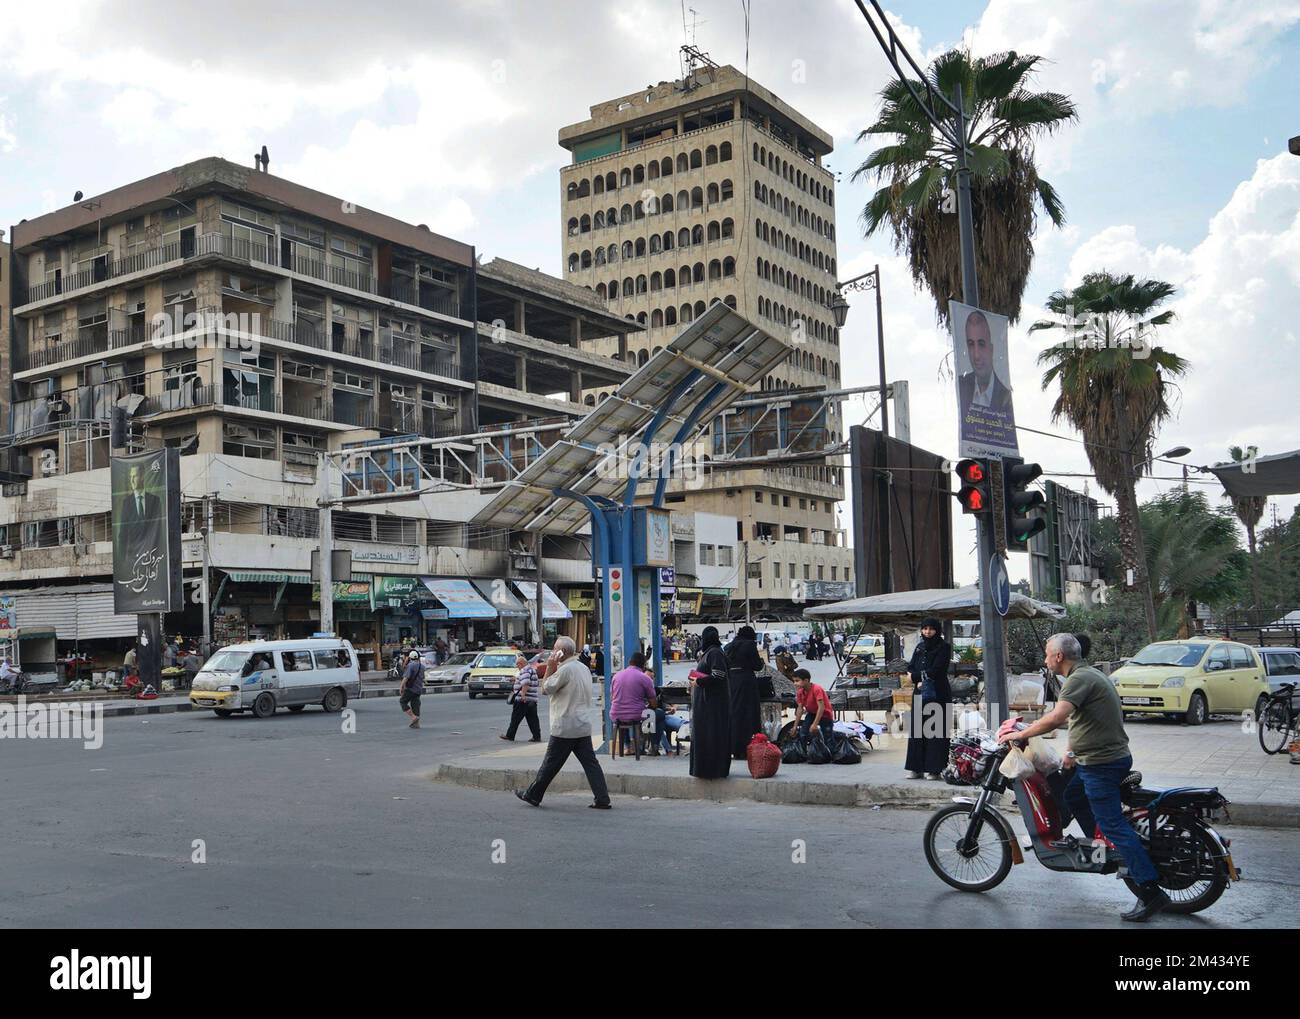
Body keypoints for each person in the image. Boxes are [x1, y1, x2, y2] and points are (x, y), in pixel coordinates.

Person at [998, 633, 1170, 922]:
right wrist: (1072, 751)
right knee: (1073, 795)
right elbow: (1080, 719)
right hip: (1100, 758)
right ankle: (1100, 847)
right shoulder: (1086, 676)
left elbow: (1056, 717)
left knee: (1113, 825)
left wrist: (1021, 734)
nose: (1045, 660)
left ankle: (1150, 891)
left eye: (1047, 655)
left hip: (1101, 764)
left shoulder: (1078, 680)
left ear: (1059, 657)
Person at [516, 637, 611, 809]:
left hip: (565, 725)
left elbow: (546, 688)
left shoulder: (565, 670)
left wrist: (550, 668)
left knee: (550, 764)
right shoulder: (583, 667)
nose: (552, 653)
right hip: (582, 724)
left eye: (554, 650)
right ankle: (602, 798)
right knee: (591, 764)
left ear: (561, 653)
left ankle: (533, 795)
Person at [905, 617, 952, 780]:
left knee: (936, 730)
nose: (927, 632)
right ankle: (915, 768)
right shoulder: (919, 647)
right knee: (917, 730)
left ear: (937, 630)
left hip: (938, 693)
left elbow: (938, 669)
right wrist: (916, 679)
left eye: (931, 629)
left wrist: (918, 678)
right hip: (919, 694)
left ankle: (934, 769)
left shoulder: (944, 647)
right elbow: (910, 667)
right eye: (925, 628)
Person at [689, 626, 732, 779]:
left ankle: (711, 770)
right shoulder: (712, 652)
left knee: (711, 735)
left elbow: (718, 675)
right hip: (709, 703)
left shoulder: (714, 653)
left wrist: (698, 681)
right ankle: (705, 770)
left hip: (712, 705)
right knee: (708, 735)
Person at [724, 625, 764, 760]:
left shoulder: (728, 646)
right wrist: (762, 662)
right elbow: (757, 666)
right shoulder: (749, 645)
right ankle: (749, 747)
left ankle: (734, 748)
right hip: (746, 681)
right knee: (749, 714)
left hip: (732, 681)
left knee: (735, 713)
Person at [609, 652, 658, 754]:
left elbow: (612, 697)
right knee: (654, 714)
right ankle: (646, 746)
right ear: (643, 665)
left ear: (629, 662)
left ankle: (627, 747)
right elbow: (653, 703)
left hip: (615, 714)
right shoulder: (645, 678)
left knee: (624, 714)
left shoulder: (616, 676)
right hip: (636, 715)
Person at [500, 652, 541, 743]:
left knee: (515, 718)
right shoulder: (531, 670)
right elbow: (527, 680)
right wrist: (516, 679)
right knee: (533, 719)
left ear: (521, 664)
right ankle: (536, 736)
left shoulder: (525, 670)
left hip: (523, 700)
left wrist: (523, 695)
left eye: (517, 664)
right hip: (532, 700)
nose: (517, 666)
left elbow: (525, 683)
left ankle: (510, 735)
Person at [792, 668, 835, 745]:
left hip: (825, 714)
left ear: (806, 680)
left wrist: (815, 724)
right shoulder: (800, 692)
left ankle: (830, 755)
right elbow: (800, 709)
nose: (795, 683)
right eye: (794, 681)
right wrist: (795, 726)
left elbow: (821, 707)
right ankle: (804, 754)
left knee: (828, 738)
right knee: (803, 733)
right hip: (811, 713)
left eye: (797, 681)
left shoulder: (816, 689)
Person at [399, 650, 424, 730]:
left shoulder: (411, 665)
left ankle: (413, 717)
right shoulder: (422, 666)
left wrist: (401, 687)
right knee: (415, 705)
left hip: (410, 689)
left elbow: (406, 677)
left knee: (403, 701)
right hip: (419, 689)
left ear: (410, 658)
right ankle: (416, 724)